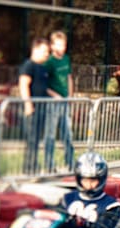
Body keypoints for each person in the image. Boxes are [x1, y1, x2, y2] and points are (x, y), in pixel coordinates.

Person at [47, 152, 120, 228]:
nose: (89, 185)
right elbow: (57, 216)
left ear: (101, 179)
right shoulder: (68, 198)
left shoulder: (111, 205)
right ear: (79, 178)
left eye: (93, 180)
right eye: (85, 180)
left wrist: (81, 223)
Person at [43, 31, 74, 173]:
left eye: (64, 45)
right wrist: (55, 95)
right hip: (53, 103)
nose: (63, 48)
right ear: (52, 46)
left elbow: (69, 78)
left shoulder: (66, 59)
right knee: (50, 134)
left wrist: (71, 96)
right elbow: (44, 84)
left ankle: (70, 162)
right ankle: (49, 164)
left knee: (68, 133)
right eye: (60, 45)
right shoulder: (49, 62)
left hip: (65, 102)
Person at [19, 38, 51, 174]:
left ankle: (33, 166)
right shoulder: (29, 65)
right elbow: (23, 84)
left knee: (36, 139)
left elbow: (45, 88)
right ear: (35, 49)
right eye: (44, 51)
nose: (46, 54)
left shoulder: (42, 68)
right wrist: (28, 104)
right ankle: (28, 168)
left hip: (41, 109)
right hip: (32, 108)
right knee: (31, 139)